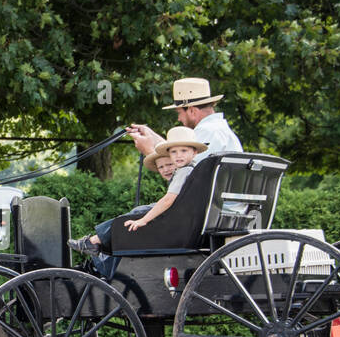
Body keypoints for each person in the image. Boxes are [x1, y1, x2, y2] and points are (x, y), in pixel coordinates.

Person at [69, 126, 207, 257]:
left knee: (134, 216)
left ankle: (93, 242)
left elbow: (168, 200)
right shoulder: (194, 169)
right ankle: (97, 242)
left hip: (175, 219)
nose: (178, 155)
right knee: (140, 210)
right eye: (173, 152)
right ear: (169, 154)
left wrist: (143, 220)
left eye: (184, 151)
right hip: (183, 216)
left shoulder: (184, 172)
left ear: (194, 152)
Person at [126, 76, 241, 165]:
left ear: (192, 111)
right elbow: (180, 156)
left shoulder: (207, 131)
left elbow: (182, 174)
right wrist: (153, 137)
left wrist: (148, 151)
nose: (178, 118)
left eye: (179, 113)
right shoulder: (217, 129)